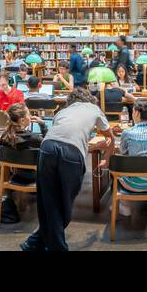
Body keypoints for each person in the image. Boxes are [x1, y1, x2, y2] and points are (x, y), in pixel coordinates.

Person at [21, 86, 117, 252]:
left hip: (47, 148)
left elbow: (62, 139)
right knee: (65, 203)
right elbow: (110, 137)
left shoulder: (62, 112)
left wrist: (87, 146)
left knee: (48, 202)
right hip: (72, 154)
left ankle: (34, 243)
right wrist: (107, 160)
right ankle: (55, 247)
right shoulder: (95, 109)